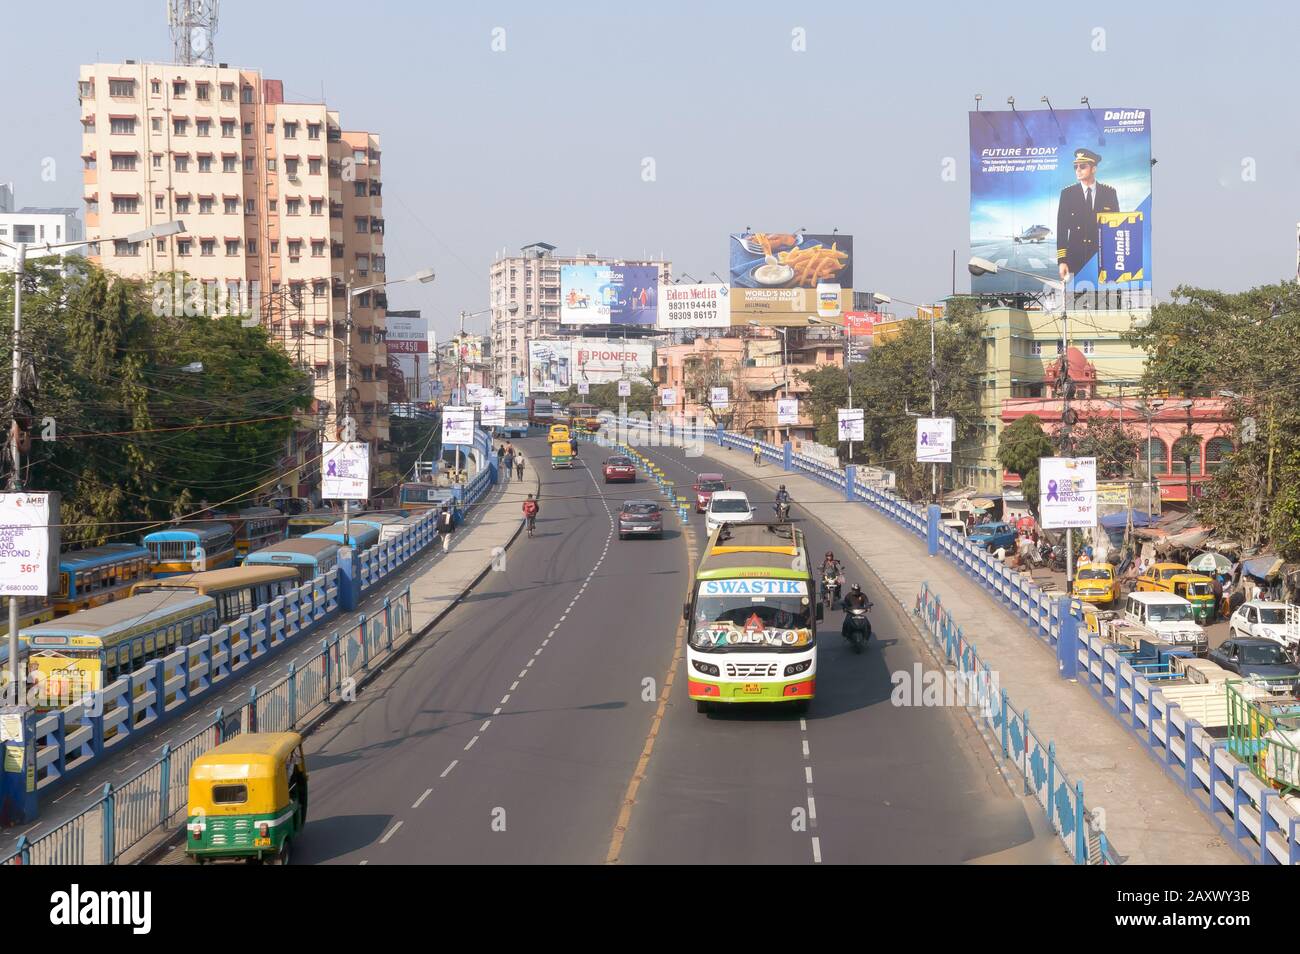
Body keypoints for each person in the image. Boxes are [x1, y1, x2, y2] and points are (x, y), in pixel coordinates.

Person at [1056, 148, 1120, 281]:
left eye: (1082, 166)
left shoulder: (1109, 193)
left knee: (1105, 300)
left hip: (1101, 259)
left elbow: (1115, 229)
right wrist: (1062, 261)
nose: (1078, 170)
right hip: (1074, 259)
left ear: (1094, 169)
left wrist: (1115, 260)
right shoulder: (1067, 195)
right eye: (1075, 166)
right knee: (1073, 300)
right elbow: (1061, 230)